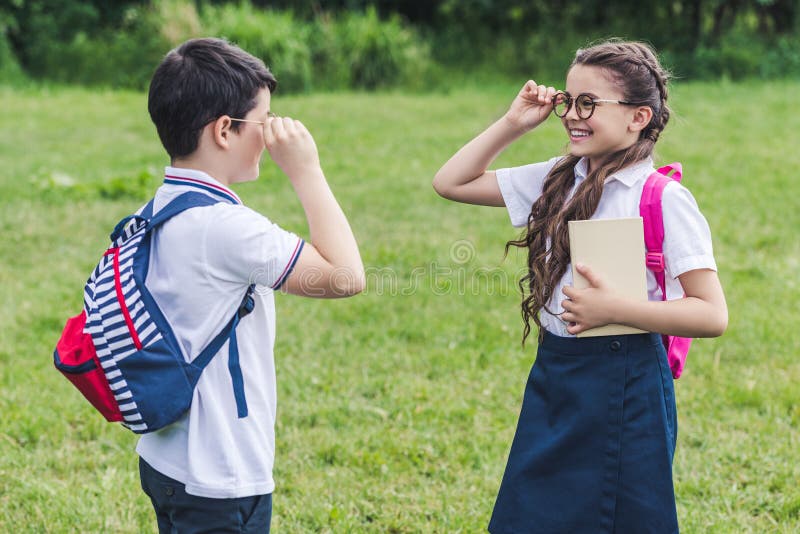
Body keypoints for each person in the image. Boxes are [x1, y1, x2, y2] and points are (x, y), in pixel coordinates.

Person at [433, 40, 727, 533]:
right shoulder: (555, 178)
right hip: (557, 374)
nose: (572, 113)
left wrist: (618, 307)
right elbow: (451, 182)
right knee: (528, 517)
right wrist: (513, 124)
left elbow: (711, 314)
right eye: (568, 101)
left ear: (639, 117)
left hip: (626, 383)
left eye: (589, 103)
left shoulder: (662, 199)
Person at [137, 37, 364, 533]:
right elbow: (347, 277)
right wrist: (308, 172)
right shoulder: (228, 229)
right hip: (221, 474)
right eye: (264, 121)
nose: (271, 134)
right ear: (224, 130)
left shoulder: (157, 209)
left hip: (165, 456)